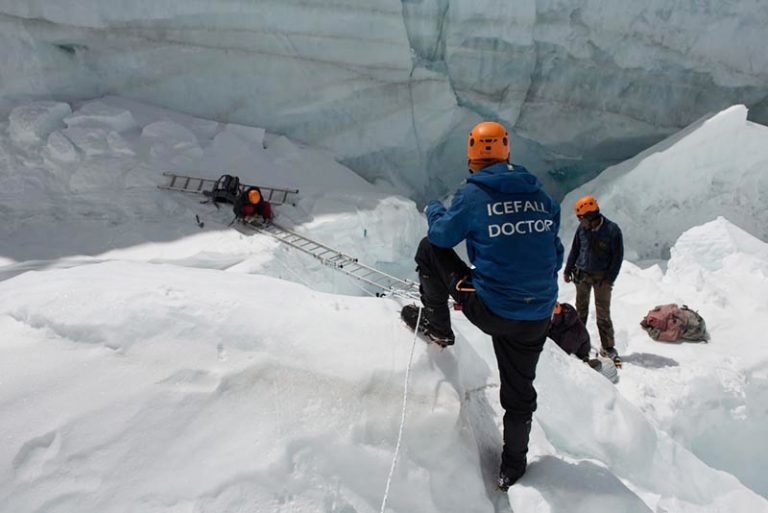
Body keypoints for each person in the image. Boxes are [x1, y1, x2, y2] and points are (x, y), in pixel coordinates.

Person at [400, 121, 563, 491]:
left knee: (430, 250)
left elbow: (442, 236)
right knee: (520, 391)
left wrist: (433, 209)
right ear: (507, 151)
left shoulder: (474, 195)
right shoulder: (541, 197)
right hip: (537, 313)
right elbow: (554, 253)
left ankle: (438, 326)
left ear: (472, 156)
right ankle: (513, 469)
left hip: (493, 308)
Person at [563, 195, 623, 364]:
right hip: (582, 274)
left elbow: (617, 257)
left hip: (602, 278)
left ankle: (608, 347)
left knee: (603, 312)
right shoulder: (582, 229)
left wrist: (609, 279)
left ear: (590, 216)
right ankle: (578, 344)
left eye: (581, 218)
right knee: (580, 311)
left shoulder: (612, 230)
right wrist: (568, 270)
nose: (580, 221)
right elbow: (575, 249)